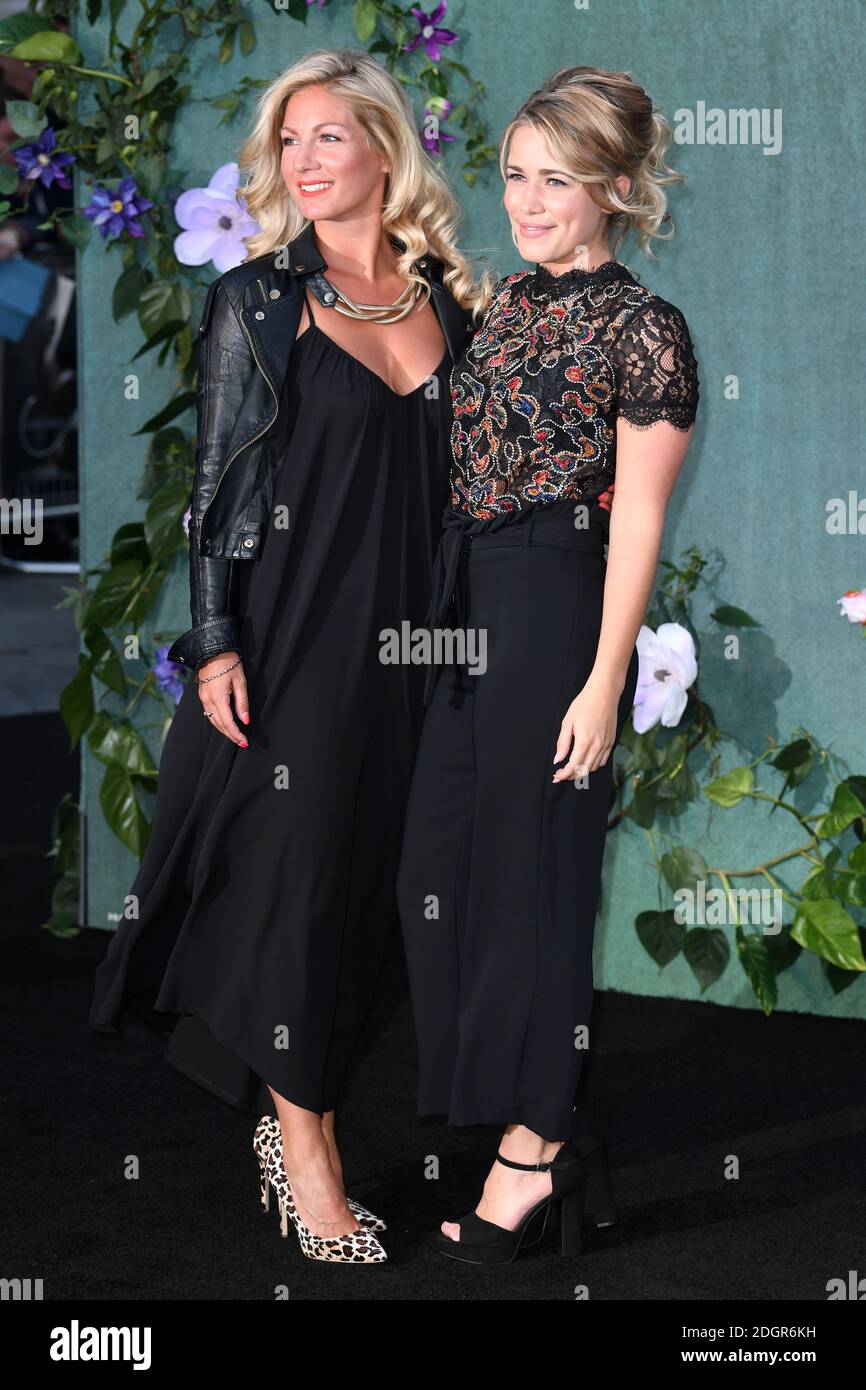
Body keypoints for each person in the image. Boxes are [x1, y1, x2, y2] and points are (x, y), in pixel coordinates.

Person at [90, 48, 487, 1264]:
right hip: (296, 638)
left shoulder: (450, 307)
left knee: (377, 887)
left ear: (381, 151)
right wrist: (215, 641)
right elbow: (215, 488)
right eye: (289, 142)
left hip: (422, 648)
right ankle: (301, 1152)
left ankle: (303, 1106)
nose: (302, 163)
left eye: (327, 138)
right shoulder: (255, 300)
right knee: (300, 881)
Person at [396, 64, 701, 1263]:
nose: (524, 200)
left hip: (558, 599)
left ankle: (532, 1150)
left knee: (540, 887)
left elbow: (636, 518)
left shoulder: (645, 329)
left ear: (615, 190)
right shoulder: (508, 302)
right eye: (515, 175)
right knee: (437, 862)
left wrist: (601, 678)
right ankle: (541, 1127)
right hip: (465, 599)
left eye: (555, 180)